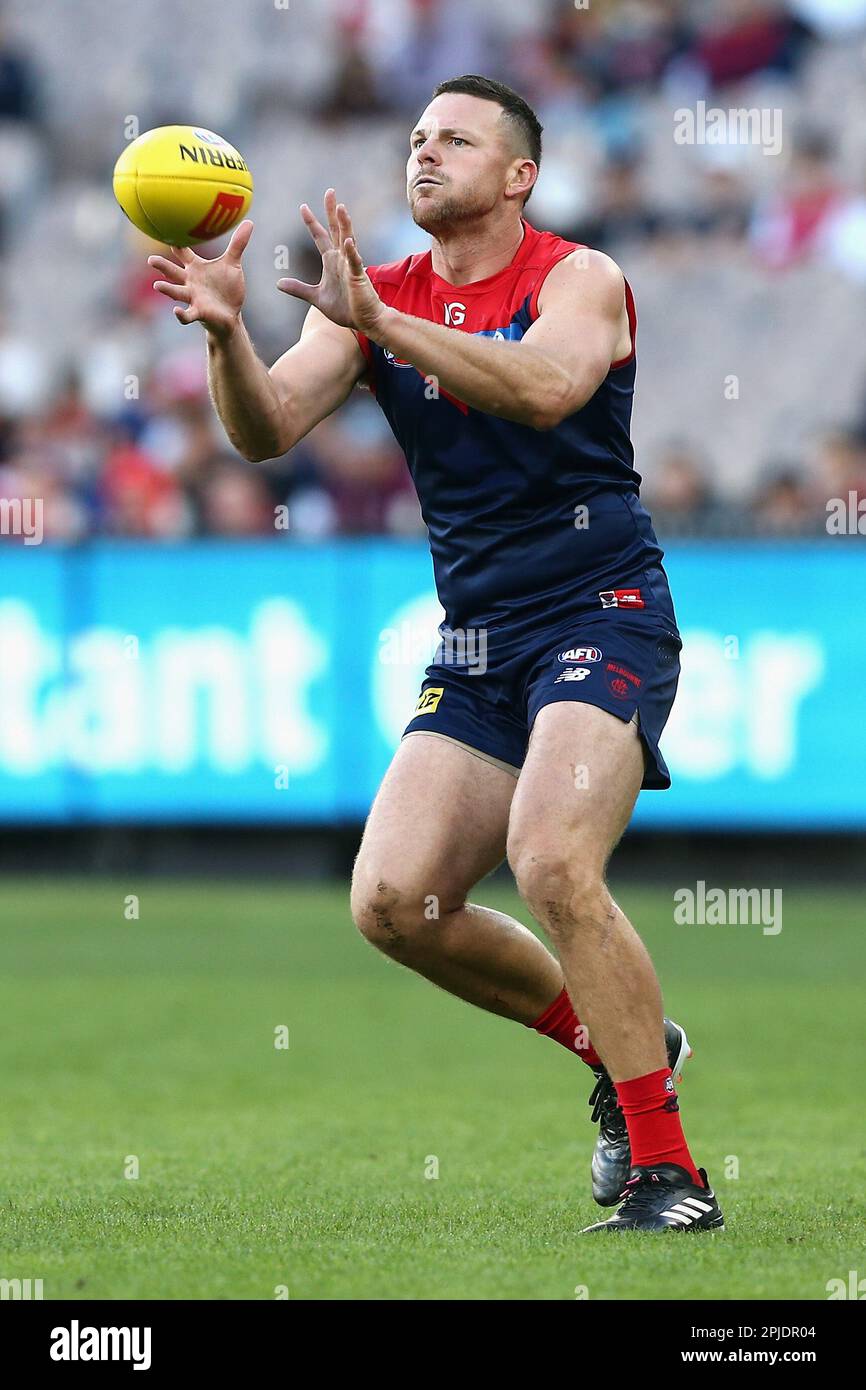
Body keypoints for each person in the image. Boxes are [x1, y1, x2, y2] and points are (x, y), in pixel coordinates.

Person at [148, 74, 723, 1234]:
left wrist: (381, 325)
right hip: (474, 635)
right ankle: (623, 1049)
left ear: (518, 175)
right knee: (392, 902)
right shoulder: (375, 296)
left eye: (455, 140)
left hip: (599, 606)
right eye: (415, 138)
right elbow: (262, 432)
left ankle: (672, 1176)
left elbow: (545, 386)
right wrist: (225, 339)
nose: (424, 153)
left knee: (551, 859)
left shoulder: (576, 278)